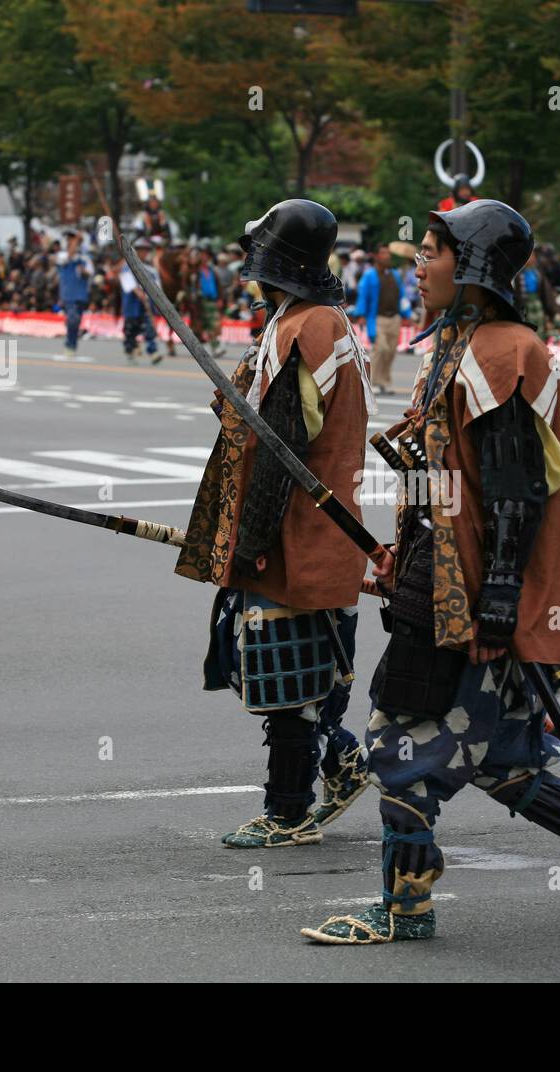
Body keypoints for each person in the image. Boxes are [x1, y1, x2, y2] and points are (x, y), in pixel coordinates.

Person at [301, 199, 560, 946]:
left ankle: (405, 908)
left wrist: (495, 599)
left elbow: (517, 490)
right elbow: (447, 484)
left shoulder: (502, 354)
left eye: (432, 250)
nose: (418, 263)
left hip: (476, 597)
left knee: (397, 743)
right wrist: (408, 549)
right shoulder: (458, 347)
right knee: (500, 756)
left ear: (474, 266)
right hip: (443, 575)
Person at [173, 198, 376, 849]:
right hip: (323, 532)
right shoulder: (313, 321)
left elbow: (283, 448)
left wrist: (252, 544)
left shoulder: (302, 333)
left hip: (301, 534)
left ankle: (287, 813)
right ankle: (340, 761)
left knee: (287, 686)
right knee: (297, 672)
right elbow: (257, 417)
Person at [352, 242, 406, 396]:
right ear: (376, 256)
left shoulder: (394, 274)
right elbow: (363, 296)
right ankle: (374, 381)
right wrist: (361, 314)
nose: (387, 256)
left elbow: (402, 296)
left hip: (394, 317)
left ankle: (385, 381)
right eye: (383, 253)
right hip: (377, 318)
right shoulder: (369, 275)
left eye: (388, 253)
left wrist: (407, 314)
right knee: (380, 349)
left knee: (391, 352)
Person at [119, 238, 162, 363]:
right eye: (140, 250)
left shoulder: (151, 270)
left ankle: (153, 351)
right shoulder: (127, 268)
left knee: (149, 327)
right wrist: (139, 293)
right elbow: (129, 285)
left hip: (146, 304)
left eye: (145, 250)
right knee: (131, 330)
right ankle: (130, 351)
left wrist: (153, 298)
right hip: (132, 305)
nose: (143, 253)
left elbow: (157, 286)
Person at [56, 229, 93, 355]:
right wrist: (76, 240)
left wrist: (84, 271)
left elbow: (90, 272)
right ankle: (69, 344)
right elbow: (69, 256)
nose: (72, 242)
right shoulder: (62, 255)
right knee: (72, 318)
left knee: (76, 321)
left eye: (75, 240)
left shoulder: (85, 257)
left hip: (81, 294)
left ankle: (72, 344)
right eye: (70, 240)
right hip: (68, 294)